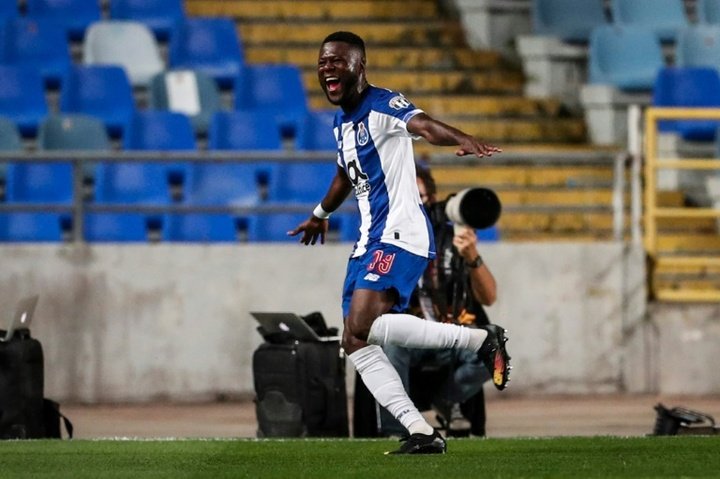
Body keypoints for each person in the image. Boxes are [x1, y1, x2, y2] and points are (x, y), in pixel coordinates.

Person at [288, 31, 511, 455]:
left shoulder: (382, 104)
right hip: (368, 239)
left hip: (400, 232)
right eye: (322, 63)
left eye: (338, 61)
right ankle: (421, 432)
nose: (328, 68)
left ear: (360, 66)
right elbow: (343, 177)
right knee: (354, 340)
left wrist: (462, 138)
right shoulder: (342, 122)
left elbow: (423, 126)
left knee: (363, 325)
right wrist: (319, 215)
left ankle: (481, 339)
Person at [378, 163, 499, 438]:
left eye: (420, 198)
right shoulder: (388, 236)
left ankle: (447, 399)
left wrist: (471, 255)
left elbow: (489, 297)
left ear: (431, 200)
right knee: (389, 344)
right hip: (412, 334)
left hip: (451, 331)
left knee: (493, 350)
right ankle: (396, 431)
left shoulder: (451, 235)